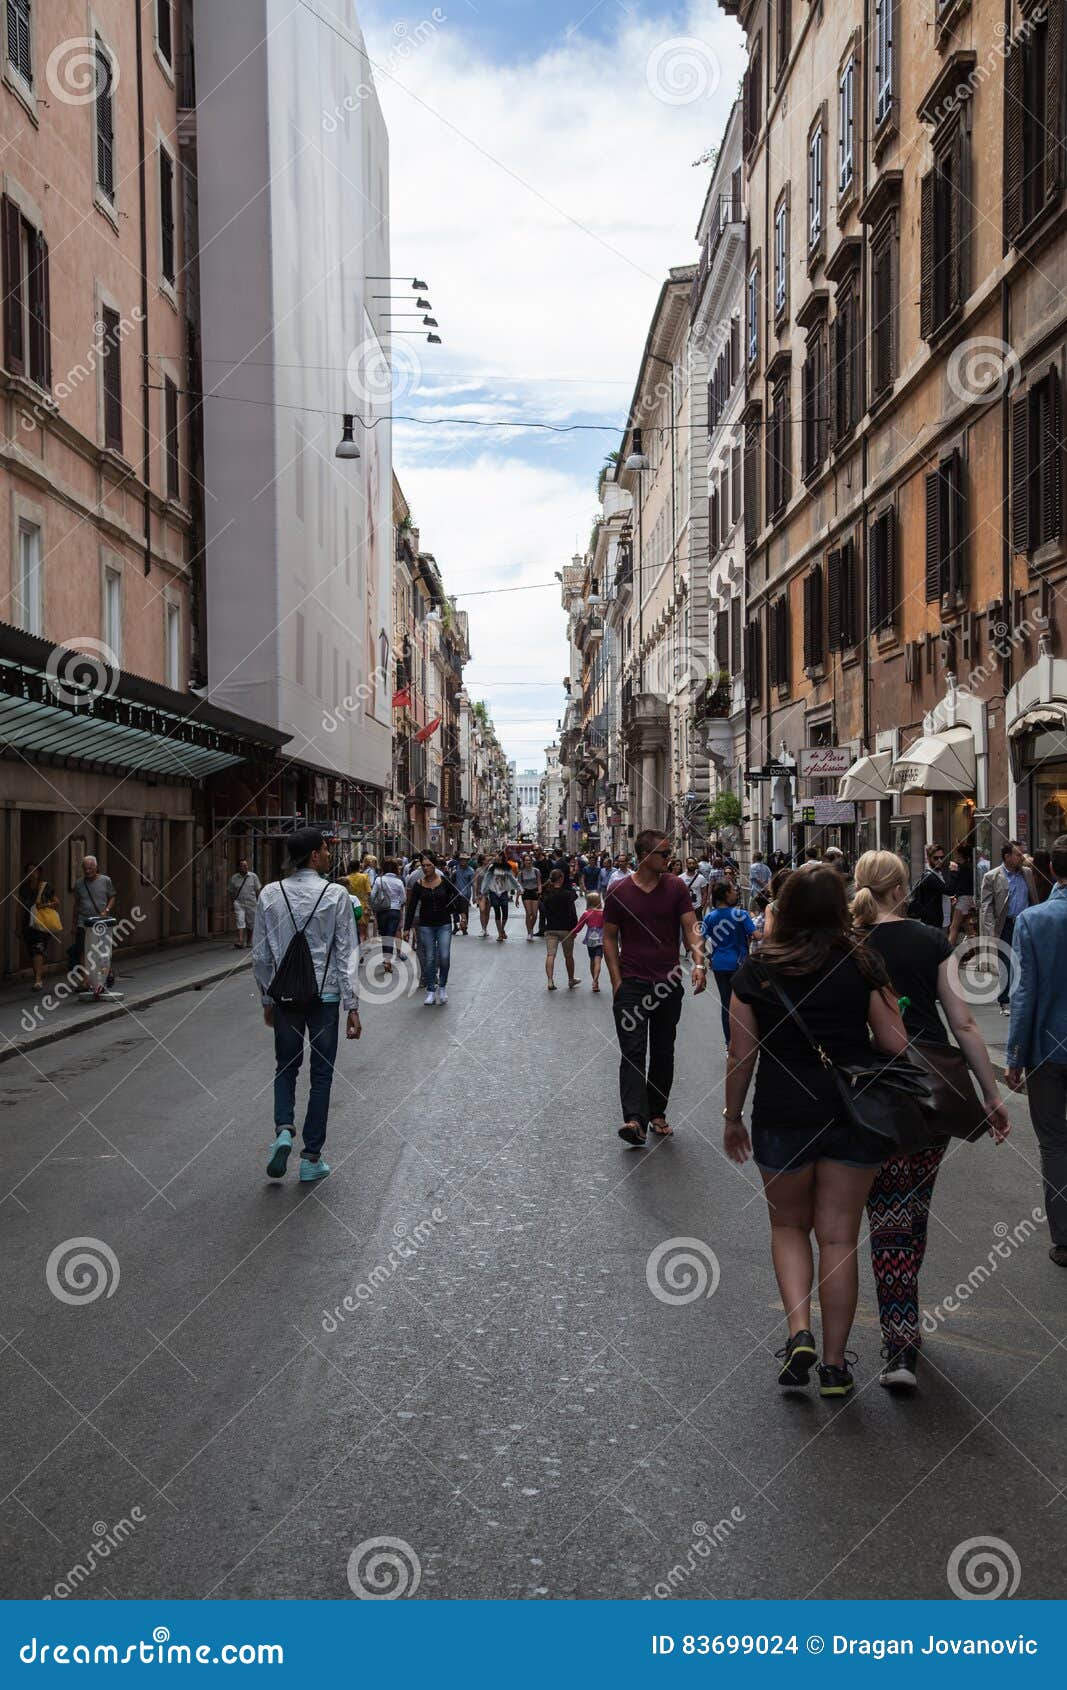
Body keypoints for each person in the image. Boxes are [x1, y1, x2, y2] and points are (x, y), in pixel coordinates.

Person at [722, 863, 910, 1398]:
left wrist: (732, 1118)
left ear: (785, 909)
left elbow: (741, 1056)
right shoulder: (863, 961)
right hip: (853, 1114)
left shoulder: (757, 971)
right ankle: (833, 1366)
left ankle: (798, 1331)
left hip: (782, 1114)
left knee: (788, 1227)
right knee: (838, 1237)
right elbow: (896, 1043)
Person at [853, 851, 1012, 1385]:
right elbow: (963, 1023)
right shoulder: (929, 940)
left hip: (868, 1091)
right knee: (912, 1213)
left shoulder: (847, 942)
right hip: (929, 1091)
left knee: (888, 1217)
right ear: (901, 889)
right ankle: (903, 1328)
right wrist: (990, 1094)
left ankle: (900, 1339)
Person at [252, 827, 360, 1185]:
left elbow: (261, 955)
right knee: (321, 1075)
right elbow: (346, 952)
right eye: (326, 849)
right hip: (324, 997)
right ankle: (311, 1157)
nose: (329, 855)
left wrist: (267, 998)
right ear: (314, 855)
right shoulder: (336, 894)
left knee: (286, 1067)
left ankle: (284, 1129)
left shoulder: (270, 893)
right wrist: (352, 1005)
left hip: (286, 997)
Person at [603, 829, 706, 1148]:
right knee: (633, 1051)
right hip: (632, 983)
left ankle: (656, 1112)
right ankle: (635, 1120)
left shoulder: (675, 887)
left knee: (663, 1051)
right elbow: (609, 937)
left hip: (667, 983)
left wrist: (699, 963)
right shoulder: (618, 890)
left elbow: (691, 928)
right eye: (663, 853)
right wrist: (616, 981)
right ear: (644, 856)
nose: (669, 858)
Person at [1005, 834, 1067, 1267]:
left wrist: (1016, 1055)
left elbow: (1024, 994)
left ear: (1051, 870)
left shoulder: (1032, 920)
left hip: (1047, 1047)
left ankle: (1064, 1238)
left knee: (1054, 1144)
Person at [979, 840, 1037, 1012]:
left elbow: (1033, 898)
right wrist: (991, 930)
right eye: (1018, 854)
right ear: (1007, 856)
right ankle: (1005, 1001)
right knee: (1006, 962)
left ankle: (1022, 998)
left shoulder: (1027, 873)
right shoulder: (991, 876)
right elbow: (986, 906)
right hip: (1006, 924)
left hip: (1024, 923)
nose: (1022, 857)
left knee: (1025, 960)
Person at [703, 882, 756, 1045]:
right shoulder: (741, 914)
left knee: (726, 1005)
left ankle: (729, 1043)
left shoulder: (710, 917)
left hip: (719, 965)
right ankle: (744, 1042)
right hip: (740, 965)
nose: (736, 892)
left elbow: (700, 941)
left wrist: (709, 956)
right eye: (733, 890)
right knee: (745, 1004)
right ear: (726, 894)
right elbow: (757, 935)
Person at [404, 852, 458, 1005]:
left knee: (444, 957)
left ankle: (442, 987)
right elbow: (411, 906)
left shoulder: (444, 881)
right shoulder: (418, 885)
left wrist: (460, 916)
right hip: (426, 925)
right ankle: (430, 990)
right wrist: (407, 927)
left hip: (444, 924)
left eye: (429, 865)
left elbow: (456, 896)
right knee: (429, 959)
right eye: (423, 866)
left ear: (435, 866)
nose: (426, 868)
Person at [71, 856, 117, 985]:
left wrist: (106, 910)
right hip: (83, 921)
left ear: (96, 868)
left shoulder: (105, 880)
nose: (87, 871)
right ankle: (86, 978)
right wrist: (74, 924)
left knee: (102, 949)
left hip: (101, 922)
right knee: (82, 949)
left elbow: (112, 896)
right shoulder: (79, 884)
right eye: (85, 868)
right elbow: (76, 904)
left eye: (90, 868)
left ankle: (105, 973)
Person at [541, 869, 579, 990]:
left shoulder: (546, 895)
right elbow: (572, 912)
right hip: (566, 928)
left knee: (550, 955)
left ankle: (550, 981)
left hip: (551, 928)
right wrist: (575, 928)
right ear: (561, 879)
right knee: (568, 956)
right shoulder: (567, 894)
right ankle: (571, 979)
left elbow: (543, 910)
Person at [373, 858, 407, 972]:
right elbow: (403, 898)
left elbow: (373, 895)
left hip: (382, 911)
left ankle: (386, 959)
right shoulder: (399, 881)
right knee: (390, 935)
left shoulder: (379, 880)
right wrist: (397, 902)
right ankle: (387, 960)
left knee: (384, 936)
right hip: (394, 911)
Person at [481, 851, 522, 942]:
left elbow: (512, 878)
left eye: (499, 856)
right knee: (497, 911)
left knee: (505, 911)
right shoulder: (491, 867)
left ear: (502, 857)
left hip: (503, 891)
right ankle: (500, 933)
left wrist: (519, 887)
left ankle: (502, 929)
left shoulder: (507, 867)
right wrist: (483, 890)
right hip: (493, 891)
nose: (497, 858)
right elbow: (486, 878)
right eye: (496, 856)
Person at [909, 843, 949, 929]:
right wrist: (954, 872)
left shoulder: (938, 873)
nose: (940, 861)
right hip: (934, 923)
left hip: (941, 921)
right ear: (928, 858)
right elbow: (949, 890)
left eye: (942, 857)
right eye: (936, 858)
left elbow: (939, 892)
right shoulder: (929, 876)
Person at [572, 890, 605, 990]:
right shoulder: (603, 913)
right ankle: (595, 981)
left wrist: (572, 933)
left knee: (592, 961)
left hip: (590, 940)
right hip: (601, 940)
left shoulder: (586, 914)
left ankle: (595, 981)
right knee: (598, 961)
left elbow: (578, 927)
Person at [946, 840, 977, 946]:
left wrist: (953, 872)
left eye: (957, 854)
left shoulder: (963, 868)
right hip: (968, 898)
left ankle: (948, 951)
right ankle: (975, 950)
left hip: (964, 899)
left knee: (954, 927)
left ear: (960, 855)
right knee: (968, 927)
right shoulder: (969, 867)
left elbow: (959, 885)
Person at [229, 858, 262, 949]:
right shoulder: (234, 878)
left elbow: (258, 890)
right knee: (240, 920)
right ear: (238, 867)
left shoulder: (253, 876)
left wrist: (259, 903)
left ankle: (249, 941)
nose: (246, 867)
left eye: (246, 865)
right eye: (243, 866)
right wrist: (232, 902)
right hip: (239, 903)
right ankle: (240, 941)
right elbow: (231, 891)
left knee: (251, 923)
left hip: (251, 903)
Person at [343, 860, 374, 947]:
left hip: (350, 905)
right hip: (363, 906)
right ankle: (362, 949)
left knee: (352, 930)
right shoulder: (364, 877)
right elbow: (369, 892)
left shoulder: (346, 878)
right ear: (359, 867)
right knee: (362, 931)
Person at [518, 852, 543, 939]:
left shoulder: (536, 871)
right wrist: (517, 897)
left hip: (535, 892)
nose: (528, 862)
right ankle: (529, 932)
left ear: (531, 861)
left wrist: (540, 891)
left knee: (535, 914)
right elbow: (519, 885)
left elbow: (539, 882)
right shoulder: (521, 873)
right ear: (524, 862)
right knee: (529, 913)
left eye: (529, 860)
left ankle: (531, 928)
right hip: (526, 893)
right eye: (526, 860)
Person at [451, 853, 475, 934]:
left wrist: (474, 896)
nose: (463, 862)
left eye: (465, 860)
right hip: (455, 893)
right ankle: (456, 926)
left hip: (465, 894)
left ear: (467, 861)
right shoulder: (456, 868)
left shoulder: (471, 871)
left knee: (464, 911)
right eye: (461, 860)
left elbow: (473, 884)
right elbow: (452, 880)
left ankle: (464, 927)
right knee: (455, 912)